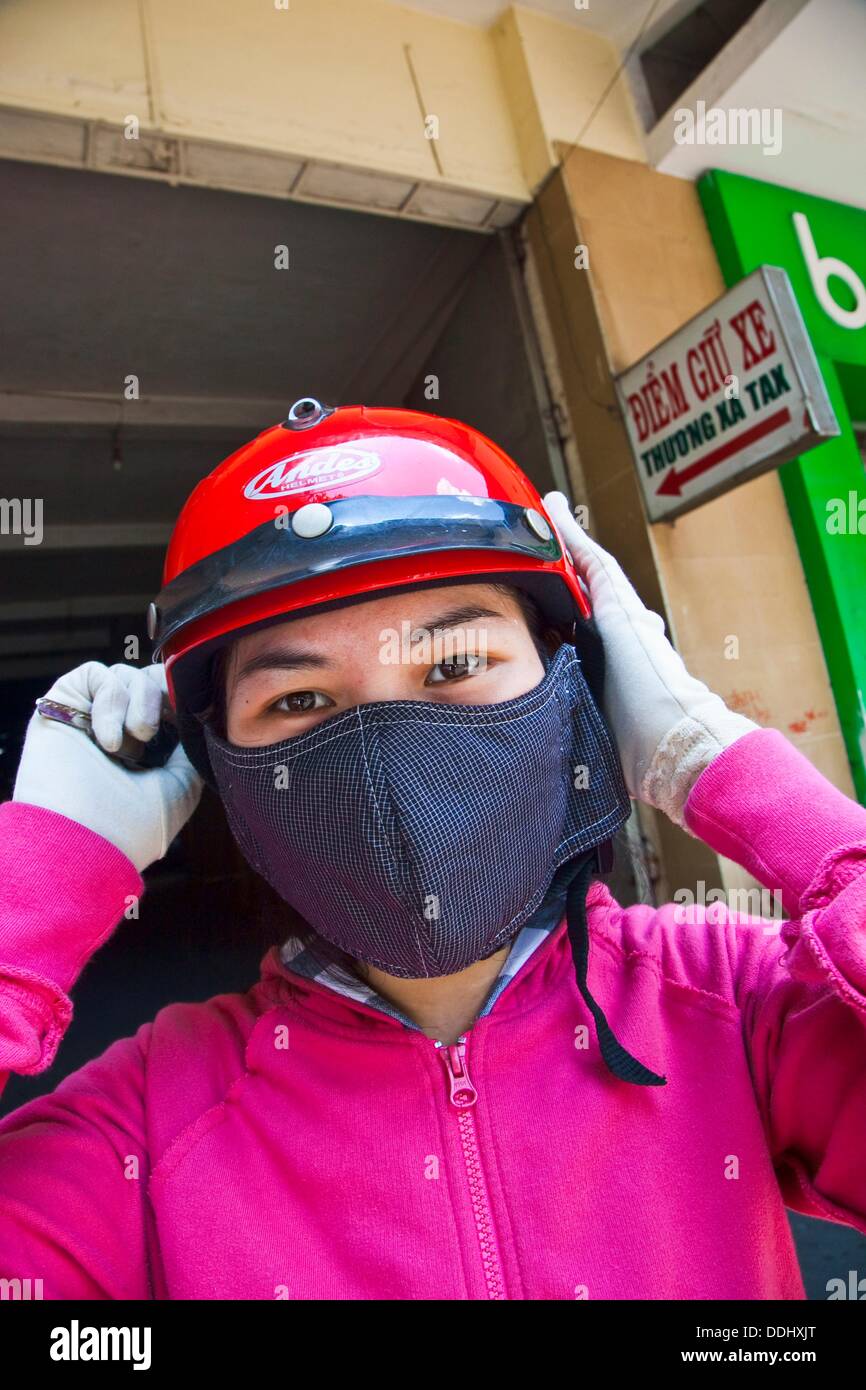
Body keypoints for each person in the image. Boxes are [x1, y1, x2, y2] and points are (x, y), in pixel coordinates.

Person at [1, 400, 864, 1301]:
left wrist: (720, 768)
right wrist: (44, 874)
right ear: (224, 769)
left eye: (453, 667)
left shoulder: (734, 1000)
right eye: (298, 702)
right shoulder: (147, 1125)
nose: (391, 769)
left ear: (580, 693)